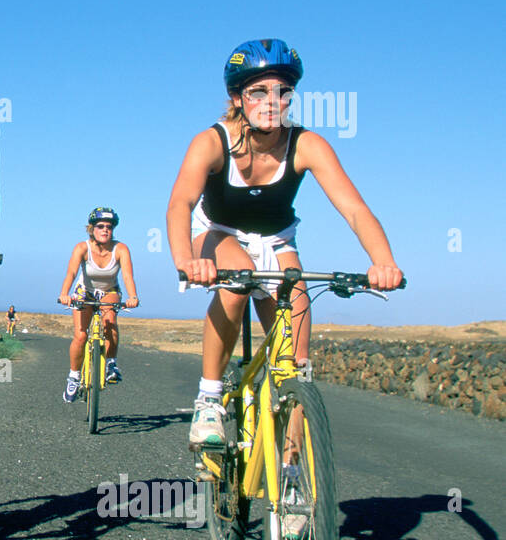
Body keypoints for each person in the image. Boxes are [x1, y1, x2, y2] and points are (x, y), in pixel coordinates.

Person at [166, 38, 403, 450]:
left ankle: (292, 470)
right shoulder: (212, 142)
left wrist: (384, 262)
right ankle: (209, 398)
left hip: (277, 241)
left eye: (282, 92)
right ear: (237, 98)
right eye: (258, 92)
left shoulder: (307, 145)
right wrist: (186, 261)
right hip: (219, 232)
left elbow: (355, 210)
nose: (271, 102)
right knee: (238, 281)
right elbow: (180, 204)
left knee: (297, 364)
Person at [56, 208, 139, 400]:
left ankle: (111, 364)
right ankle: (74, 377)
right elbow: (71, 273)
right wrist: (64, 294)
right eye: (100, 226)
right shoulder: (82, 248)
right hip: (84, 291)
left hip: (109, 291)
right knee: (80, 335)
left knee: (110, 323)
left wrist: (133, 296)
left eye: (109, 227)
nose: (105, 230)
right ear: (91, 228)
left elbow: (127, 276)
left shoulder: (121, 249)